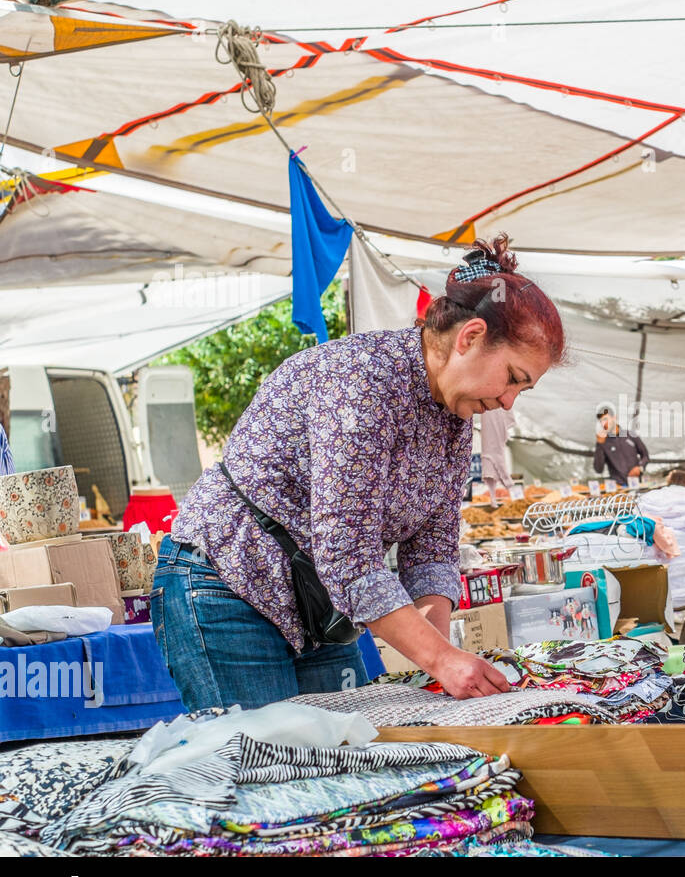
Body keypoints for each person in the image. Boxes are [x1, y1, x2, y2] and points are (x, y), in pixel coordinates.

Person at [156, 235, 566, 711]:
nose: (509, 400)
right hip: (229, 584)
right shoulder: (364, 381)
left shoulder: (453, 415)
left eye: (524, 389)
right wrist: (442, 662)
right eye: (513, 377)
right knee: (265, 761)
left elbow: (431, 549)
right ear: (469, 338)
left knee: (343, 758)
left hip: (318, 605)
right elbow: (348, 553)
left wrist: (437, 663)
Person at [593, 404, 649, 486]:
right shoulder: (603, 442)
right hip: (618, 488)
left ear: (614, 418)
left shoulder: (630, 434)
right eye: (601, 421)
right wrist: (599, 445)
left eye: (605, 419)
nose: (603, 423)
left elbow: (645, 455)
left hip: (637, 485)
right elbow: (598, 469)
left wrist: (640, 467)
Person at [479, 407, 515, 506]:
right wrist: (508, 482)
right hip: (490, 410)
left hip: (494, 408)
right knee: (493, 456)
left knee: (493, 455)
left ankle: (493, 497)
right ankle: (494, 497)